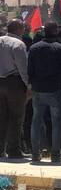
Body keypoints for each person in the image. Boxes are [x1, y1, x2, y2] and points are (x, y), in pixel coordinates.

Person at [27, 23, 61, 164]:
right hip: (55, 89)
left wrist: (33, 83)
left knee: (36, 120)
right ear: (56, 32)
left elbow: (30, 70)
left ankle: (35, 154)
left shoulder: (34, 48)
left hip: (38, 89)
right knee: (57, 122)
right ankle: (55, 155)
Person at [0, 19, 28, 159]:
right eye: (23, 27)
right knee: (16, 118)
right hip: (14, 84)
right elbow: (23, 68)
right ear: (18, 29)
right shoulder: (18, 44)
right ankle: (14, 150)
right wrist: (28, 86)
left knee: (1, 118)